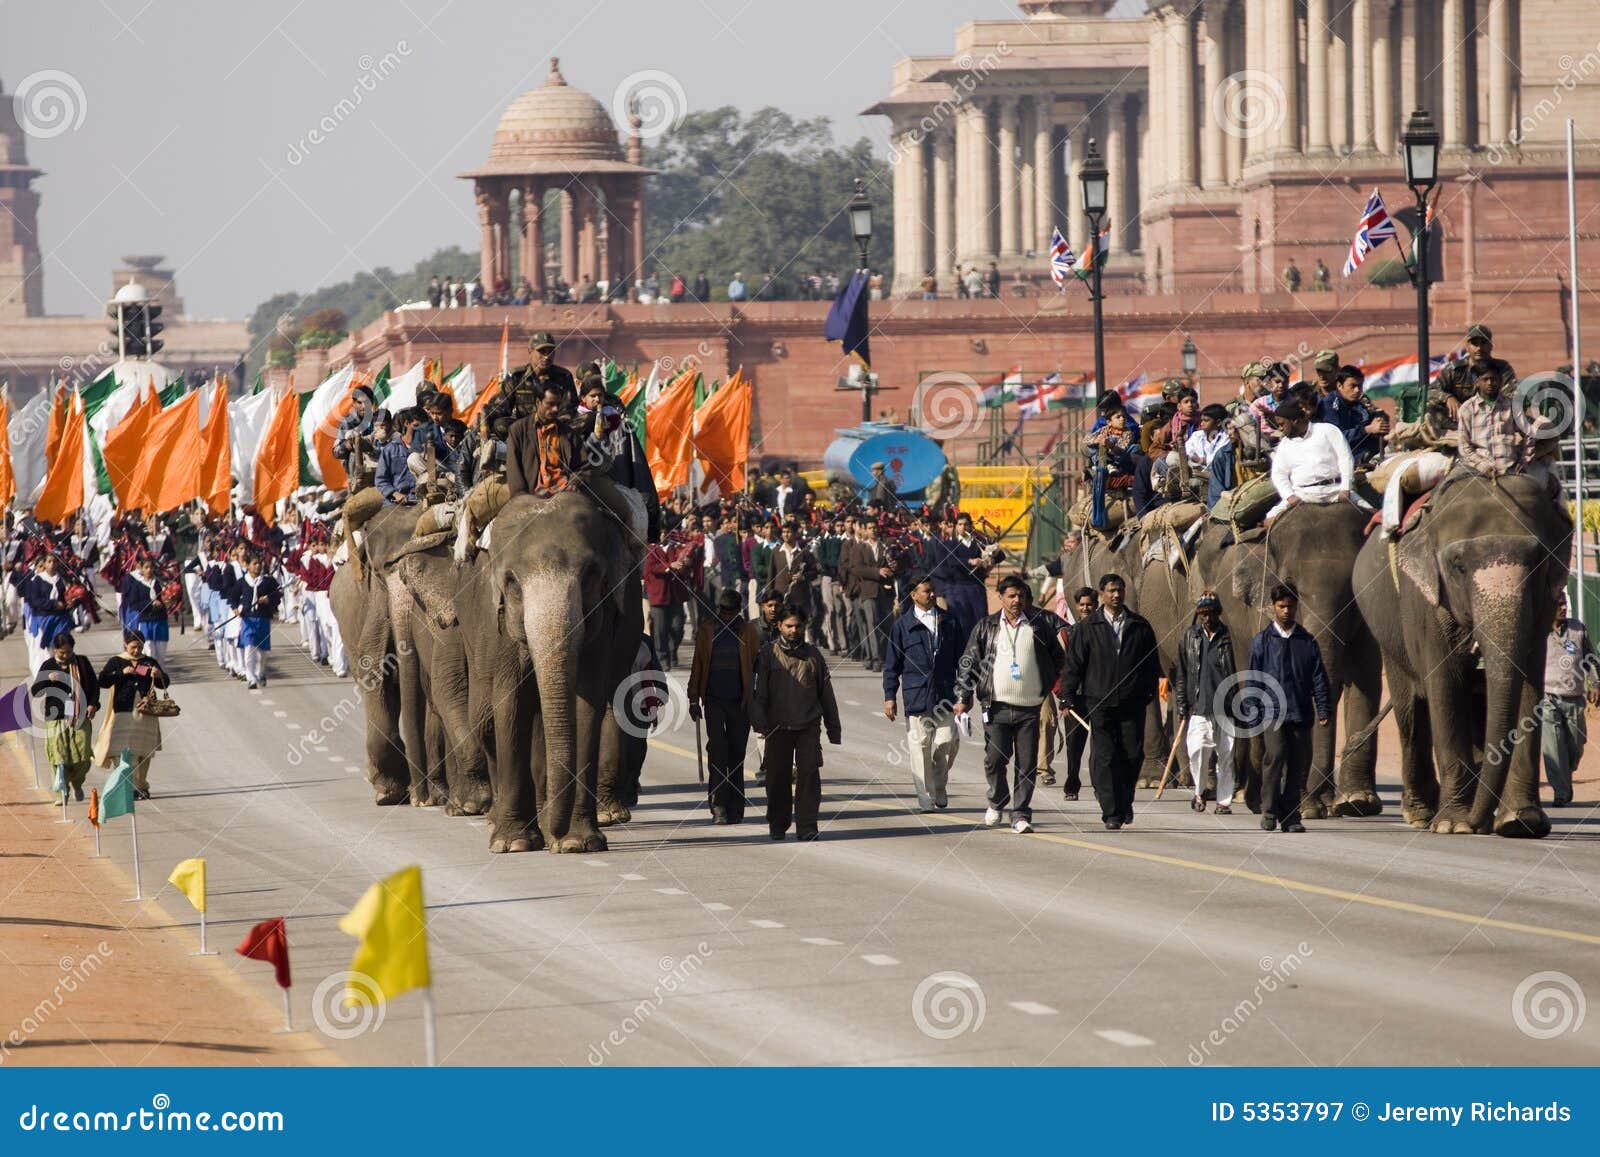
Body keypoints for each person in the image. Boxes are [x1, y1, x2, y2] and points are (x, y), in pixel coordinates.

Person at [955, 575, 1066, 834]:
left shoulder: (1038, 626)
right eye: (1011, 596)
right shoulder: (986, 627)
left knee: (1026, 764)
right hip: (996, 707)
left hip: (1030, 707)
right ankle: (997, 801)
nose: (1017, 601)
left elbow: (1058, 659)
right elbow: (968, 663)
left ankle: (1020, 814)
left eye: (1021, 596)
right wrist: (962, 697)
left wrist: (1047, 686)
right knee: (994, 760)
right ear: (1001, 597)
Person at [1060, 573, 1162, 830]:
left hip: (1132, 702)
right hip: (1100, 701)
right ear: (1101, 594)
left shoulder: (1140, 626)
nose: (1116, 595)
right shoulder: (1088, 628)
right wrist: (1067, 697)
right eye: (1111, 591)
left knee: (1131, 754)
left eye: (1120, 590)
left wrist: (1149, 694)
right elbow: (1074, 665)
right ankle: (1111, 812)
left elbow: (1151, 665)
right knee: (1105, 757)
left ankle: (1125, 801)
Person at [750, 605, 841, 841]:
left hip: (808, 725)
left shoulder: (814, 655)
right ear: (779, 626)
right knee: (777, 778)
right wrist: (759, 720)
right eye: (789, 625)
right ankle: (778, 824)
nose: (794, 630)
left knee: (809, 776)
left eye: (798, 626)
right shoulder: (768, 654)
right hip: (778, 726)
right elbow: (759, 693)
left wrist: (834, 727)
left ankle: (807, 826)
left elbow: (826, 693)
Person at [1247, 584, 1331, 833]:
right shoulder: (1262, 641)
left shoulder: (1306, 641)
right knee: (1275, 757)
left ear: (1296, 607)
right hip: (1271, 713)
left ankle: (1292, 816)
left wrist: (1323, 708)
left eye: (1291, 606)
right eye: (1282, 606)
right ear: (1273, 607)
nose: (1286, 611)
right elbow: (1253, 677)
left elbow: (1318, 677)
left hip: (1300, 711)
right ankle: (1269, 811)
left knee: (1297, 765)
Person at [883, 574, 963, 812]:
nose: (931, 594)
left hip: (945, 694)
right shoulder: (902, 626)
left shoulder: (949, 621)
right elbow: (892, 665)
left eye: (932, 590)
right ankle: (925, 796)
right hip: (916, 695)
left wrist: (965, 692)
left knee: (945, 741)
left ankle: (940, 785)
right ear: (913, 595)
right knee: (920, 749)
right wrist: (890, 697)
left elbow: (964, 658)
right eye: (926, 591)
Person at [687, 589, 764, 825]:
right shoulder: (707, 630)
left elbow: (756, 666)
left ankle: (736, 808)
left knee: (736, 756)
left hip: (740, 702)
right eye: (723, 611)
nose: (726, 616)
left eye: (731, 612)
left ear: (738, 611)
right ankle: (719, 805)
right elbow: (698, 664)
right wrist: (693, 698)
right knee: (718, 751)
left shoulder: (749, 632)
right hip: (713, 701)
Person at [1172, 592, 1239, 814]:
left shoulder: (1229, 637)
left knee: (1226, 757)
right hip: (1199, 707)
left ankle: (1223, 801)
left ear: (1218, 612)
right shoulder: (1190, 636)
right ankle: (1199, 792)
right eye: (1202, 614)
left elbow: (1237, 671)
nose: (1206, 618)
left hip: (1226, 708)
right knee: (1198, 750)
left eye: (1210, 613)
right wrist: (1182, 703)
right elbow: (1181, 673)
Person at [93, 629, 170, 800]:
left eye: (140, 647)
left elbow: (165, 683)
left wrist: (159, 675)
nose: (137, 651)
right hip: (122, 712)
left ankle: (141, 785)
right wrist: (121, 673)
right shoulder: (117, 661)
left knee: (143, 752)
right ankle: (128, 784)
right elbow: (103, 681)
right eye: (133, 647)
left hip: (145, 713)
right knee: (121, 752)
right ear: (125, 645)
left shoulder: (148, 662)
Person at [1540, 594, 1600, 808]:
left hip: (1574, 698)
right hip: (1547, 698)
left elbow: (1590, 658)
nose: (1563, 608)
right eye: (1559, 604)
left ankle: (1566, 770)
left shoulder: (1578, 629)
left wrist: (1596, 683)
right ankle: (1561, 792)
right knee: (1553, 747)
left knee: (1576, 746)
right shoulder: (1538, 631)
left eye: (1565, 603)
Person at [1263, 399, 1358, 527]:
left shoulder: (1327, 430)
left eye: (1282, 424)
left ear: (1295, 421)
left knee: (1372, 514)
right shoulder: (1284, 445)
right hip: (1303, 495)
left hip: (1334, 491)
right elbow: (1279, 474)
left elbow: (1345, 458)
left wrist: (1346, 489)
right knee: (1269, 521)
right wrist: (1290, 496)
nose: (1280, 429)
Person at [31, 631, 99, 804]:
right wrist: (48, 680)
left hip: (79, 715)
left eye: (68, 652)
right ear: (55, 650)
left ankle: (76, 782)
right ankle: (62, 792)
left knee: (82, 755)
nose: (66, 656)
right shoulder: (48, 665)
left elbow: (93, 687)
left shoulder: (82, 663)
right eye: (62, 653)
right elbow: (36, 690)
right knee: (58, 756)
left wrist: (93, 704)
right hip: (55, 717)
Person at [1056, 587, 1098, 800]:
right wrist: (1064, 698)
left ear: (1096, 606)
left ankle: (1101, 787)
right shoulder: (1067, 634)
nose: (1085, 608)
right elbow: (1060, 669)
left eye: (1089, 604)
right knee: (1074, 746)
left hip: (1099, 698)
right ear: (1076, 607)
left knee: (1101, 746)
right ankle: (1072, 784)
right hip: (1075, 700)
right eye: (1082, 605)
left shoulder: (1105, 634)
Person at [845, 518, 895, 672]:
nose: (873, 530)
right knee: (872, 623)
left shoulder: (884, 546)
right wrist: (877, 572)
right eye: (870, 528)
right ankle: (875, 658)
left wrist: (893, 566)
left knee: (886, 624)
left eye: (875, 527)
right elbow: (856, 569)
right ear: (865, 530)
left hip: (885, 591)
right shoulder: (859, 548)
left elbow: (892, 565)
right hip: (868, 591)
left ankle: (884, 655)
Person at [230, 552, 282, 690]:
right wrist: (235, 608)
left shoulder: (268, 581)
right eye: (254, 563)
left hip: (263, 619)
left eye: (259, 563)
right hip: (248, 620)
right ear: (247, 566)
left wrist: (269, 599)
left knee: (262, 653)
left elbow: (278, 594)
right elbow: (233, 597)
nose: (258, 566)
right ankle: (251, 678)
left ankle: (261, 672)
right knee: (249, 648)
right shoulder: (242, 582)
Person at [1317, 366, 1389, 463]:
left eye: (1360, 386)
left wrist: (1379, 420)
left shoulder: (1360, 401)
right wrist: (1367, 429)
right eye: (1353, 386)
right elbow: (1336, 437)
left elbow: (1372, 417)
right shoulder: (1330, 405)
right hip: (1338, 458)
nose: (1357, 390)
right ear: (1339, 386)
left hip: (1363, 451)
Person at [21, 552, 74, 675]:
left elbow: (68, 595)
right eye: (49, 561)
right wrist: (53, 604)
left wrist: (71, 602)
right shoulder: (38, 581)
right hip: (44, 618)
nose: (52, 564)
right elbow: (35, 601)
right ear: (45, 564)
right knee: (47, 649)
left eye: (55, 562)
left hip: (61, 618)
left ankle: (64, 671)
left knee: (62, 644)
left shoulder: (63, 579)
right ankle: (47, 674)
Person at [119, 557, 171, 664]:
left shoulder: (159, 583)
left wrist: (167, 601)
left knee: (161, 655)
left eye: (151, 567)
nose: (149, 570)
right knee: (149, 653)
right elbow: (133, 604)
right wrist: (150, 603)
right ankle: (150, 678)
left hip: (160, 621)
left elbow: (168, 597)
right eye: (146, 567)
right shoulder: (137, 585)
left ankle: (160, 678)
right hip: (145, 622)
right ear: (141, 569)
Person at [376, 409, 421, 505]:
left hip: (420, 501)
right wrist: (395, 494)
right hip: (395, 503)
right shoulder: (390, 449)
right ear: (407, 423)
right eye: (416, 426)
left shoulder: (428, 448)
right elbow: (381, 480)